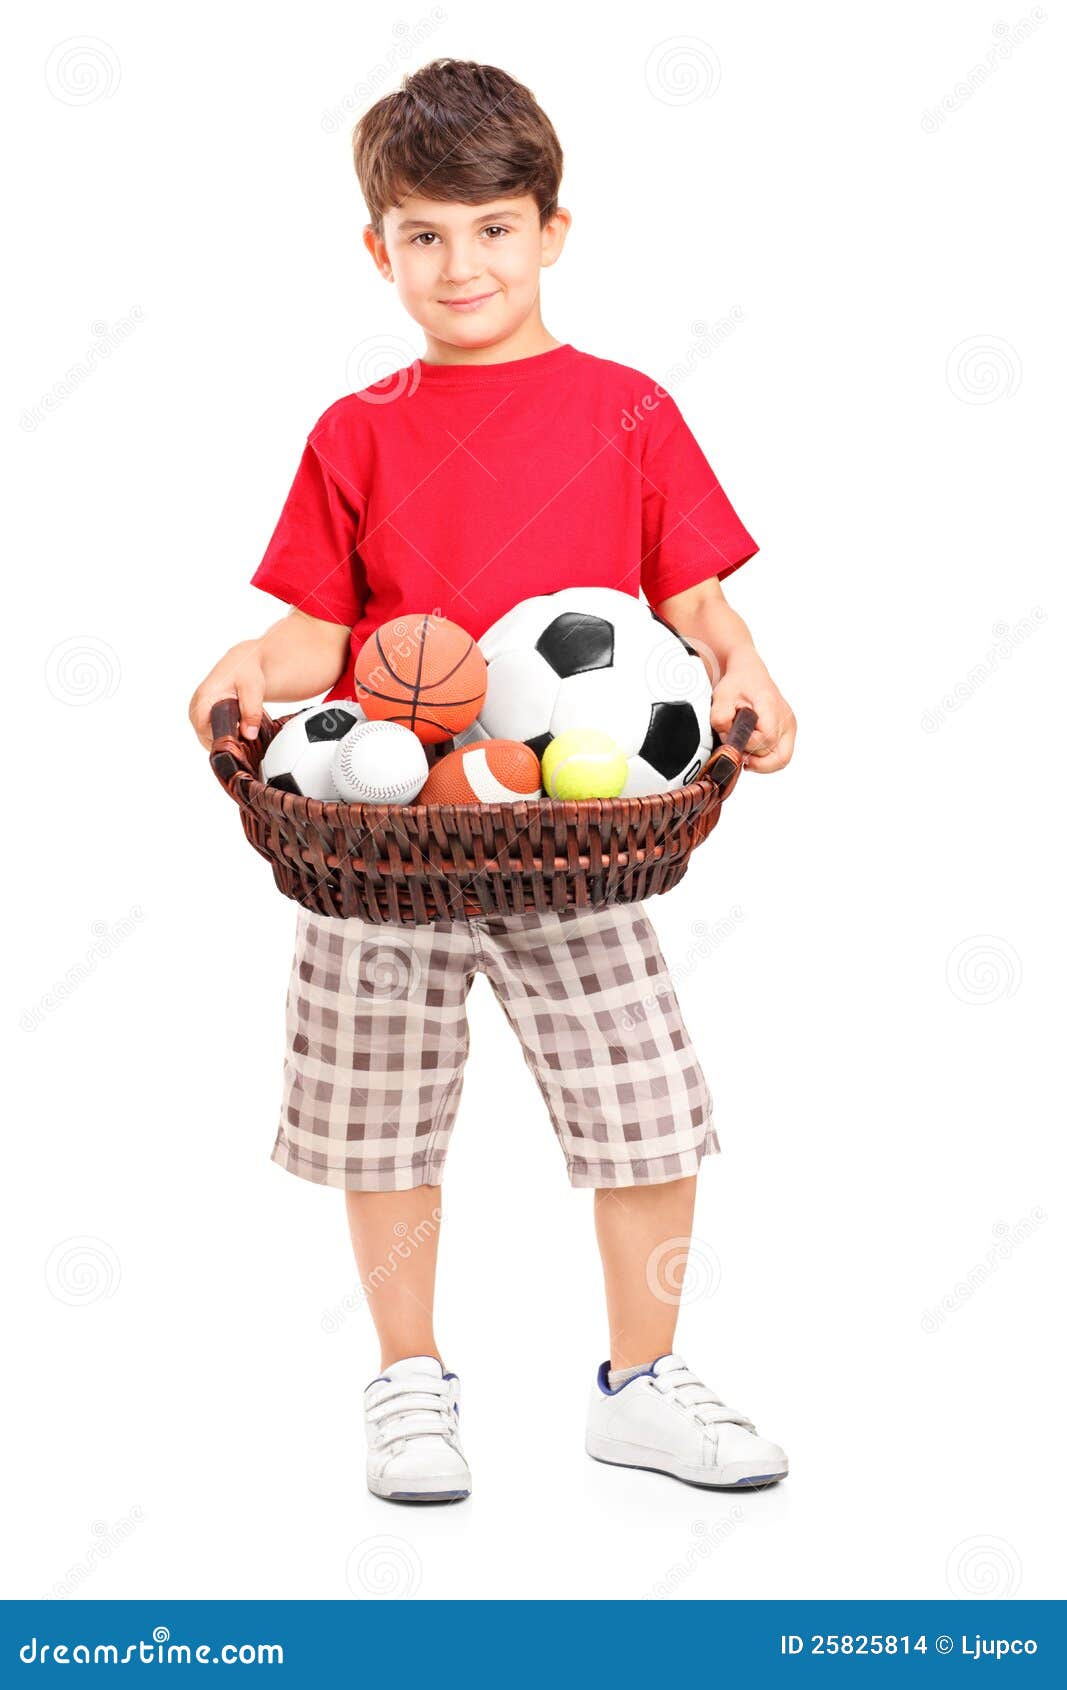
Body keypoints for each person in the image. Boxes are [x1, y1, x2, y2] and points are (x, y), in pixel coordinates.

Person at [190, 58, 797, 1504]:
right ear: (378, 246)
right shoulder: (358, 428)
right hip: (387, 825)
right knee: (377, 1113)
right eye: (424, 234)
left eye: (495, 228)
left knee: (642, 1098)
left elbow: (698, 601)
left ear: (555, 230)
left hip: (576, 832)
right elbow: (321, 633)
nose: (461, 265)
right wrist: (248, 671)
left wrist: (746, 669)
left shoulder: (629, 410)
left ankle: (640, 1382)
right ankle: (410, 1379)